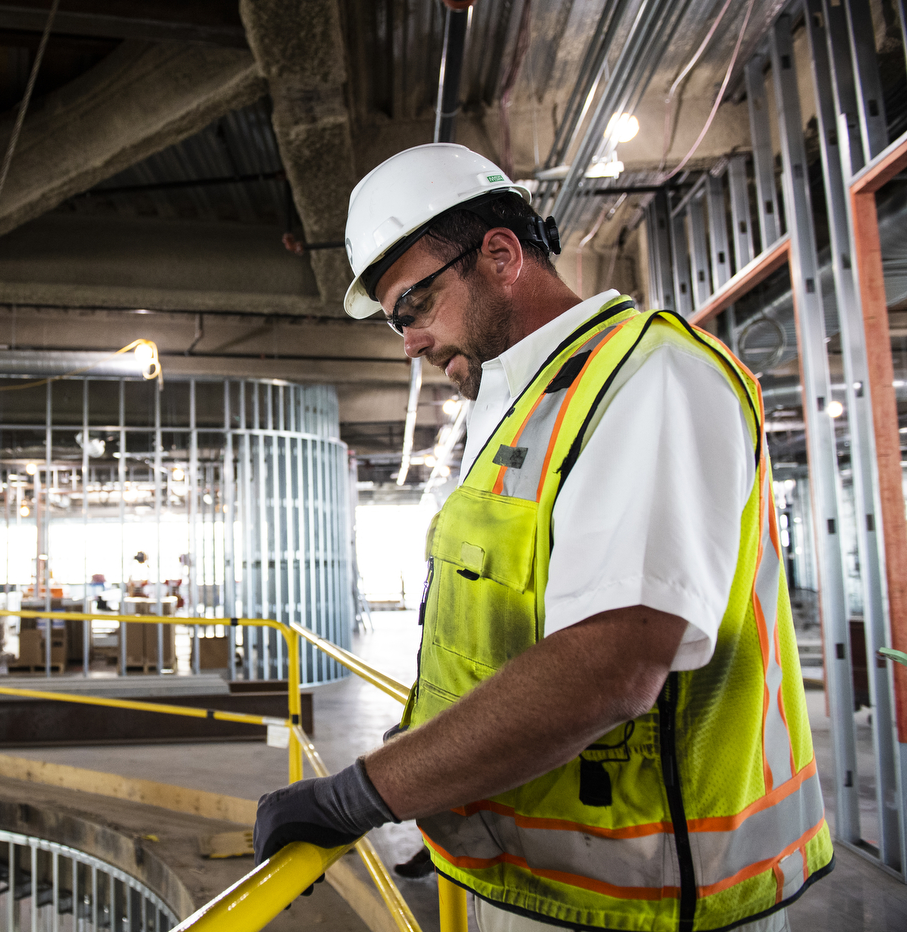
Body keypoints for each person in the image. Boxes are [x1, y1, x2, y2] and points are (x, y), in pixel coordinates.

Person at [253, 144, 831, 931]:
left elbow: (612, 665)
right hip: (536, 882)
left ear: (499, 255)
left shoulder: (648, 377)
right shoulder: (520, 409)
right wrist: (447, 794)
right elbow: (487, 642)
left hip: (650, 900)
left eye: (413, 307)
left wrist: (363, 794)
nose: (408, 342)